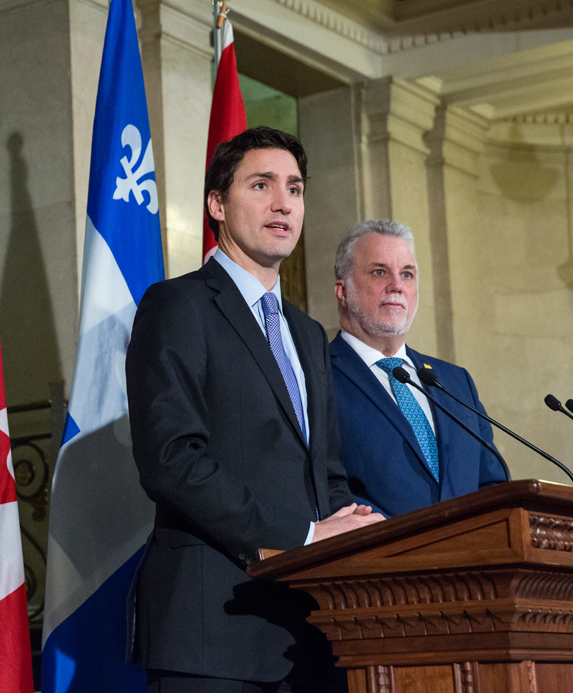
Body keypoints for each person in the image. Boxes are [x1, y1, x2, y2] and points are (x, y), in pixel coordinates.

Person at [125, 126, 383, 693]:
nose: (282, 202)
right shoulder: (178, 305)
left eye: (293, 188)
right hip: (214, 625)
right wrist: (305, 534)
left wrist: (359, 530)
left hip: (309, 632)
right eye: (261, 184)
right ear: (217, 204)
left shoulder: (308, 333)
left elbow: (327, 475)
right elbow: (171, 459)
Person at [330, 219, 506, 519]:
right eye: (379, 272)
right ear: (342, 291)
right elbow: (319, 483)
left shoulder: (454, 380)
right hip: (378, 557)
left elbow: (491, 482)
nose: (397, 286)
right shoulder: (315, 374)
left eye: (407, 274)